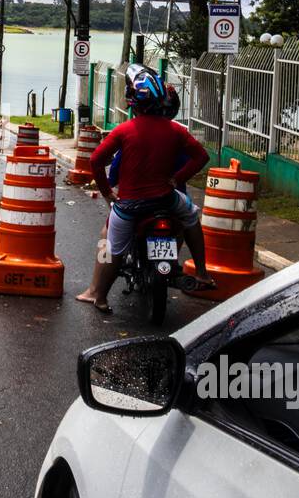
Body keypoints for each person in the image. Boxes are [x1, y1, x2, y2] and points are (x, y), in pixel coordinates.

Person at [77, 64, 215, 314]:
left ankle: (99, 296)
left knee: (110, 247)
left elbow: (96, 160)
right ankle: (203, 273)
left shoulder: (123, 131)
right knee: (192, 216)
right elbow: (202, 156)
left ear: (133, 103)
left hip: (130, 206)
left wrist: (107, 191)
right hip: (166, 200)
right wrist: (177, 179)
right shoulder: (176, 131)